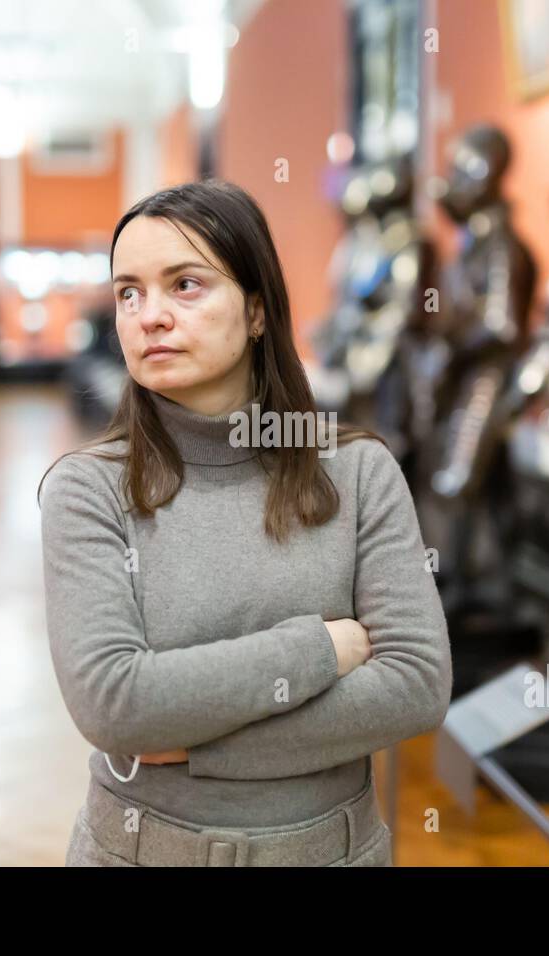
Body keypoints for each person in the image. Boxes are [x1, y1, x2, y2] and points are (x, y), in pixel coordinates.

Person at [37, 179, 453, 867]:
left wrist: (184, 744)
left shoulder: (356, 472)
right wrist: (319, 650)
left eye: (186, 285)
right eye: (128, 293)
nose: (150, 316)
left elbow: (415, 687)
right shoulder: (86, 489)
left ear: (257, 310)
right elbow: (115, 707)